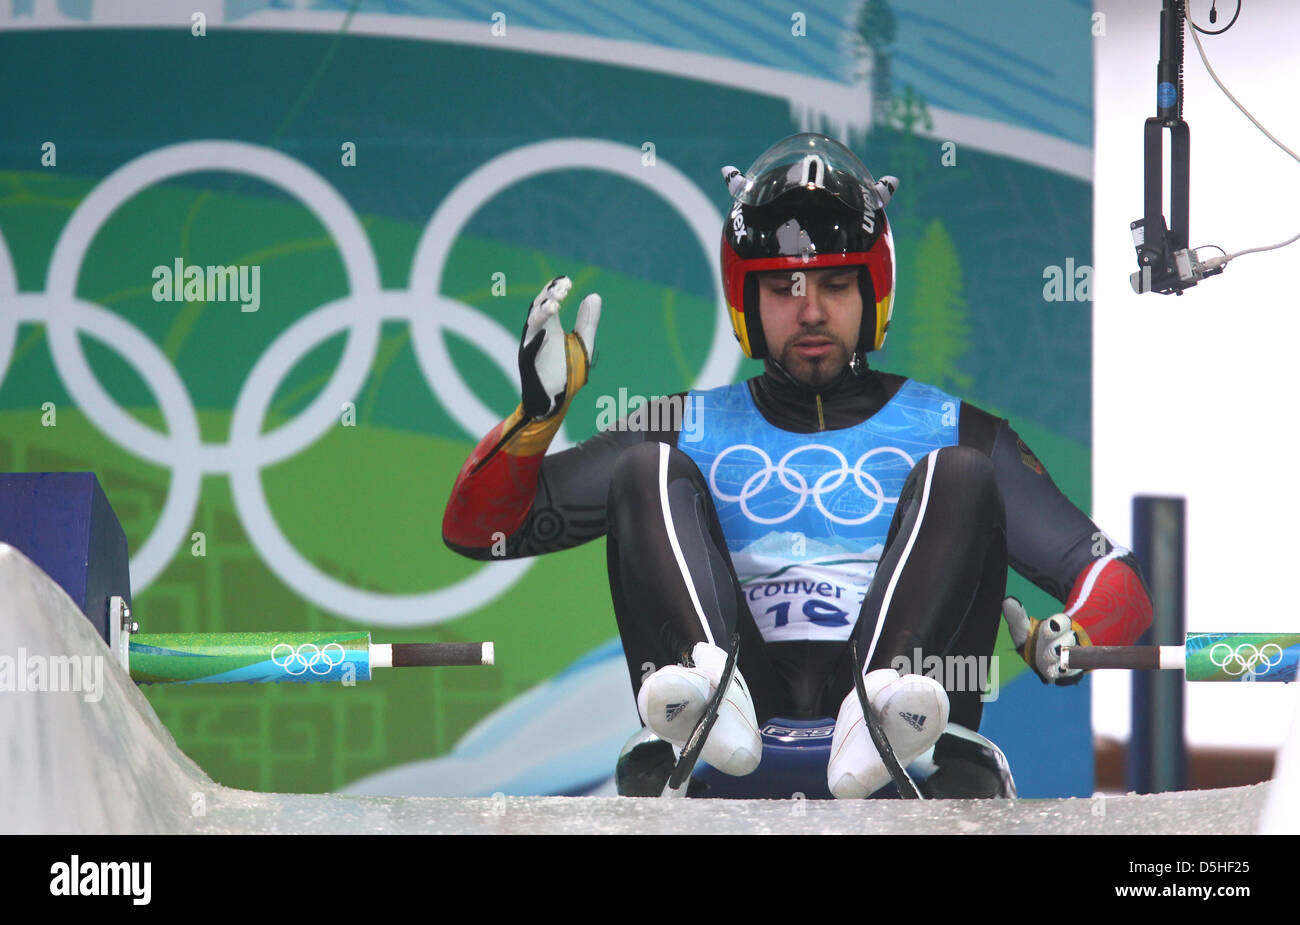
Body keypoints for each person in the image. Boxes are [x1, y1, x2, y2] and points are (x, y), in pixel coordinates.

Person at [442, 133, 1153, 799]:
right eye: (783, 289)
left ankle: (877, 710)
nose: (810, 310)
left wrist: (1079, 632)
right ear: (746, 300)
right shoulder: (684, 424)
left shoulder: (953, 427)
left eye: (836, 284)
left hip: (909, 753)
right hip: (728, 748)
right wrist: (535, 420)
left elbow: (1112, 575)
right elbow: (481, 530)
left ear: (874, 292)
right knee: (644, 467)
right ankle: (716, 701)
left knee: (961, 473)